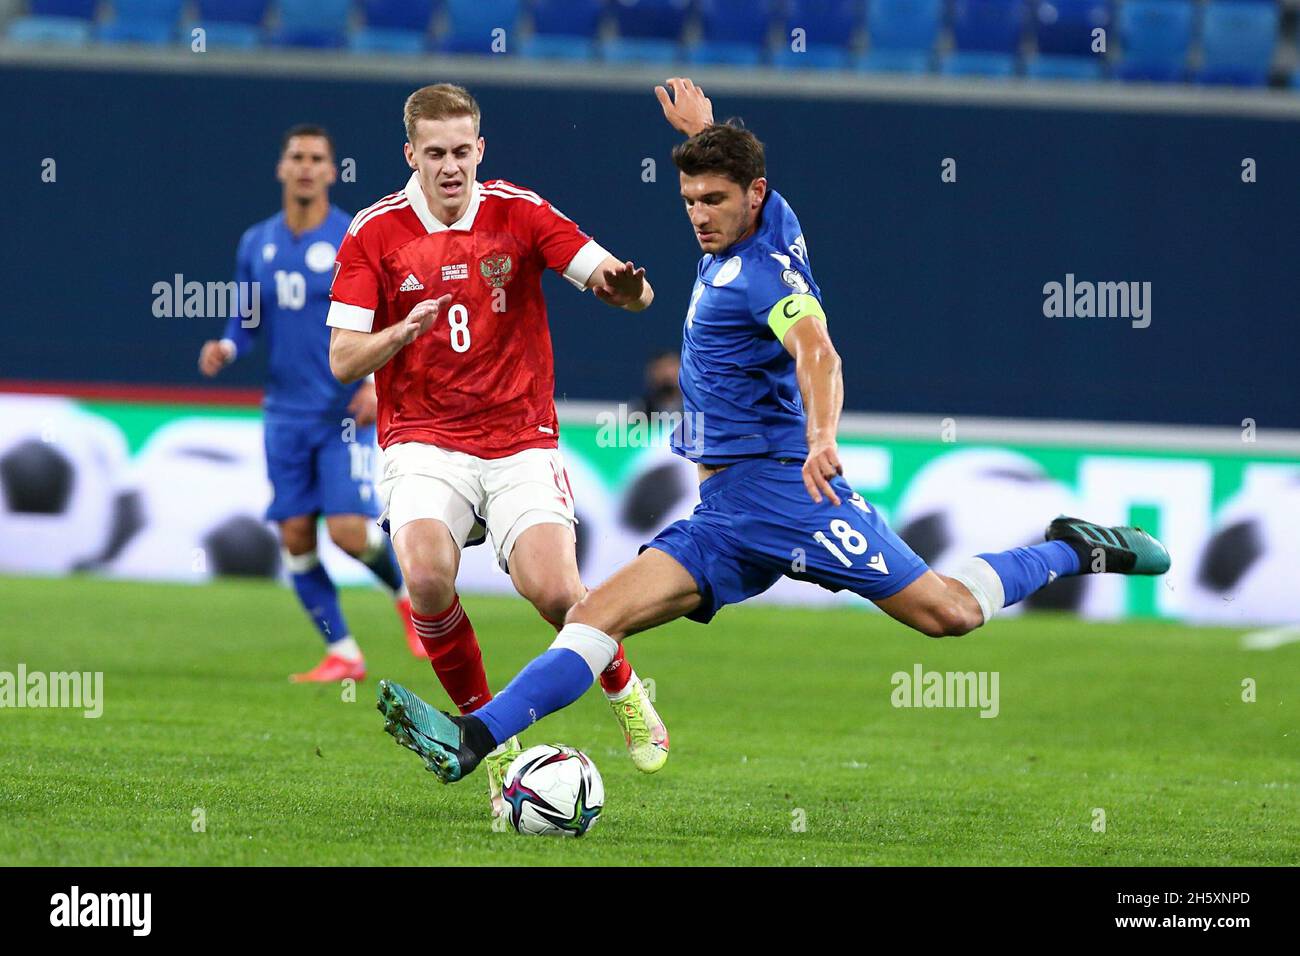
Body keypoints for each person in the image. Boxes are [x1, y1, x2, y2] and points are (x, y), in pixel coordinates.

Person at [371, 78, 1173, 788]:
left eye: (713, 202)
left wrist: (824, 436)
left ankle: (1072, 546)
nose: (699, 217)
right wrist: (699, 129)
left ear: (753, 195)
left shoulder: (760, 276)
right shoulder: (770, 217)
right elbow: (725, 169)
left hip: (791, 494)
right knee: (591, 617)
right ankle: (474, 738)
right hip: (725, 512)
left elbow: (817, 350)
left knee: (949, 614)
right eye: (688, 201)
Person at [326, 84, 670, 817]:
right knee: (424, 579)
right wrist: (400, 334)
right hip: (424, 439)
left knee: (556, 595)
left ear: (480, 149)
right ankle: (492, 742)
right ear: (410, 154)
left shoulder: (520, 211)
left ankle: (625, 687)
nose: (450, 167)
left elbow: (620, 285)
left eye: (462, 151)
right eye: (435, 153)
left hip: (518, 437)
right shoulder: (374, 232)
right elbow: (345, 359)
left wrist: (626, 292)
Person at [199, 124, 420, 684]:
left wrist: (374, 382)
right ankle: (342, 651)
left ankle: (409, 596)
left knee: (348, 531)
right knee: (295, 537)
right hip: (284, 414)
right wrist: (227, 346)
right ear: (281, 167)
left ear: (331, 170)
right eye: (296, 156)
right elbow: (247, 319)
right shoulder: (257, 242)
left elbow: (387, 318)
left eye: (316, 158)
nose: (305, 166)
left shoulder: (353, 235)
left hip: (341, 411)